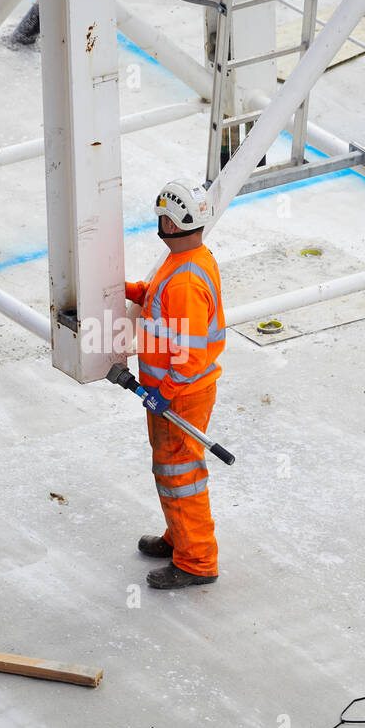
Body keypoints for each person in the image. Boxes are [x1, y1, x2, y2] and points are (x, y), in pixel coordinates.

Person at [124, 179, 226, 589]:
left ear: (174, 221)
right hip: (180, 392)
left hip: (178, 395)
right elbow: (161, 303)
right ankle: (179, 535)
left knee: (181, 475)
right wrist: (129, 291)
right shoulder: (191, 258)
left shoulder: (184, 280)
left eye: (163, 216)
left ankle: (197, 560)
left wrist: (163, 395)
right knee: (173, 471)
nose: (159, 221)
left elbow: (190, 354)